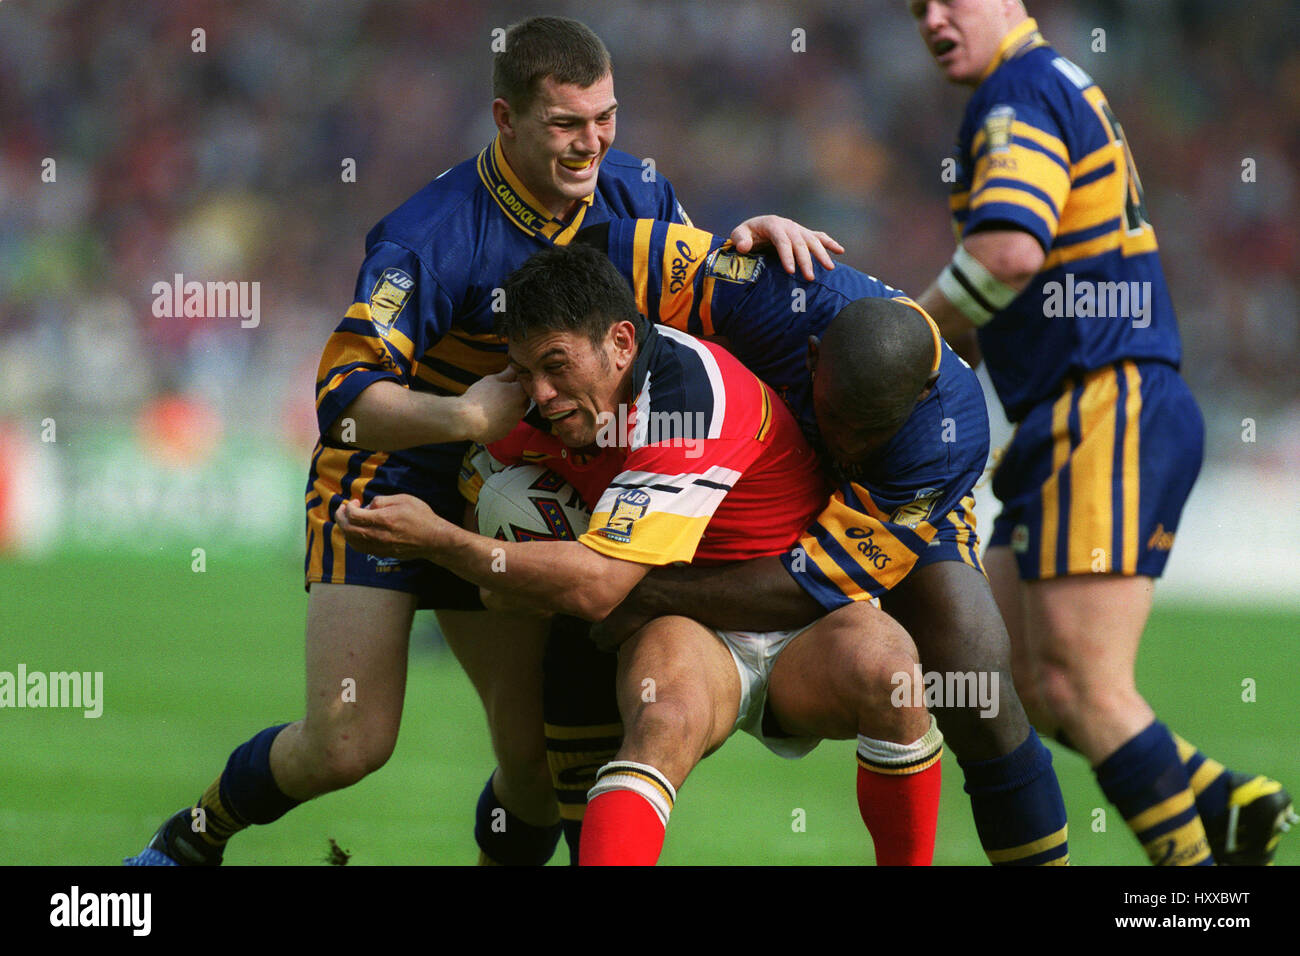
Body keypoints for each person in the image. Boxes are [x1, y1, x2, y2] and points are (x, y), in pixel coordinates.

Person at [125, 15, 842, 867]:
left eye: (605, 119)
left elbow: (693, 299)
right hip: (390, 472)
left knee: (533, 769)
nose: (592, 145)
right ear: (505, 121)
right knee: (348, 742)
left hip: (525, 476)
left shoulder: (637, 189)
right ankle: (190, 842)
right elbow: (342, 399)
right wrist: (463, 419)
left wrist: (751, 241)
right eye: (566, 125)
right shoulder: (430, 235)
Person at [337, 243, 946, 866]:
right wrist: (496, 554)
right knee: (662, 719)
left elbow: (596, 588)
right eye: (524, 373)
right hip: (688, 630)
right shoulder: (518, 416)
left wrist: (439, 541)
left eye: (557, 365)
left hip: (804, 621)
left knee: (894, 679)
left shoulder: (689, 397)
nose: (543, 393)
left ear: (622, 343)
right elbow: (495, 583)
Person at [906, 0, 1295, 864]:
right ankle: (1222, 801)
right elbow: (1000, 285)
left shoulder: (1014, 94)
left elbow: (1008, 254)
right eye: (915, 6)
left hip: (1103, 407)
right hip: (1074, 415)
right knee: (1008, 675)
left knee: (1081, 684)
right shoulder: (1044, 85)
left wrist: (907, 336)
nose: (932, 18)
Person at [577, 217, 1070, 865]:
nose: (840, 442)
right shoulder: (763, 292)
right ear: (810, 356)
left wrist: (637, 591)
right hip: (735, 475)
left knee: (972, 675)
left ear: (918, 399)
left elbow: (807, 589)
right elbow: (596, 256)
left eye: (864, 434)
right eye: (831, 417)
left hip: (872, 507)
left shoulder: (943, 440)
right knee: (567, 658)